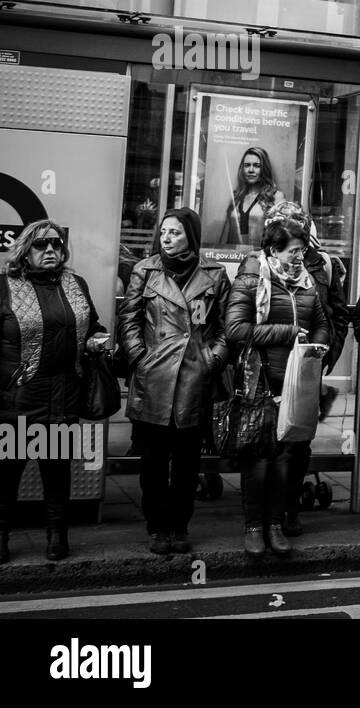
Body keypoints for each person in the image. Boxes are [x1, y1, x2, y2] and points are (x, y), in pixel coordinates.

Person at [117, 208, 230, 555]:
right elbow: (128, 318)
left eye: (175, 233)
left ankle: (179, 526)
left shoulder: (214, 274)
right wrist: (140, 357)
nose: (166, 239)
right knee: (152, 463)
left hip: (194, 378)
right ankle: (156, 527)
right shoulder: (144, 269)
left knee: (186, 464)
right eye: (163, 232)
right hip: (153, 379)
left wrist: (210, 360)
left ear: (191, 236)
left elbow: (227, 329)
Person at [0, 220, 108, 564]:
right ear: (24, 250)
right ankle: (1, 536)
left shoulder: (75, 285)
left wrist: (96, 341)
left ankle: (56, 535)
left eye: (57, 245)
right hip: (18, 401)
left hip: (62, 398)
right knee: (7, 474)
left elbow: (94, 326)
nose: (50, 251)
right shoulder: (5, 287)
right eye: (41, 245)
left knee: (56, 472)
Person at [224, 219, 328, 558]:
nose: (300, 258)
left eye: (303, 251)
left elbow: (323, 324)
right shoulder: (253, 277)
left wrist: (316, 350)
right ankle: (254, 527)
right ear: (273, 251)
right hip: (259, 381)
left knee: (286, 458)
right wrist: (287, 333)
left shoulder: (308, 282)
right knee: (258, 459)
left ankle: (275, 524)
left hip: (295, 383)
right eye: (294, 252)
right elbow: (237, 329)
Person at [259, 202, 348, 537]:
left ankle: (289, 510)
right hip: (271, 369)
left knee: (299, 444)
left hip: (308, 368)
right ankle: (267, 515)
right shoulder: (265, 263)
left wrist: (323, 357)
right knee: (268, 444)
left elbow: (336, 314)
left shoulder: (321, 263)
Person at [219, 147, 286, 248]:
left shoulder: (276, 197)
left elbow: (281, 238)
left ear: (264, 168)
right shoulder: (236, 197)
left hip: (260, 260)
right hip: (231, 258)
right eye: (247, 165)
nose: (251, 170)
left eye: (256, 166)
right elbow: (224, 237)